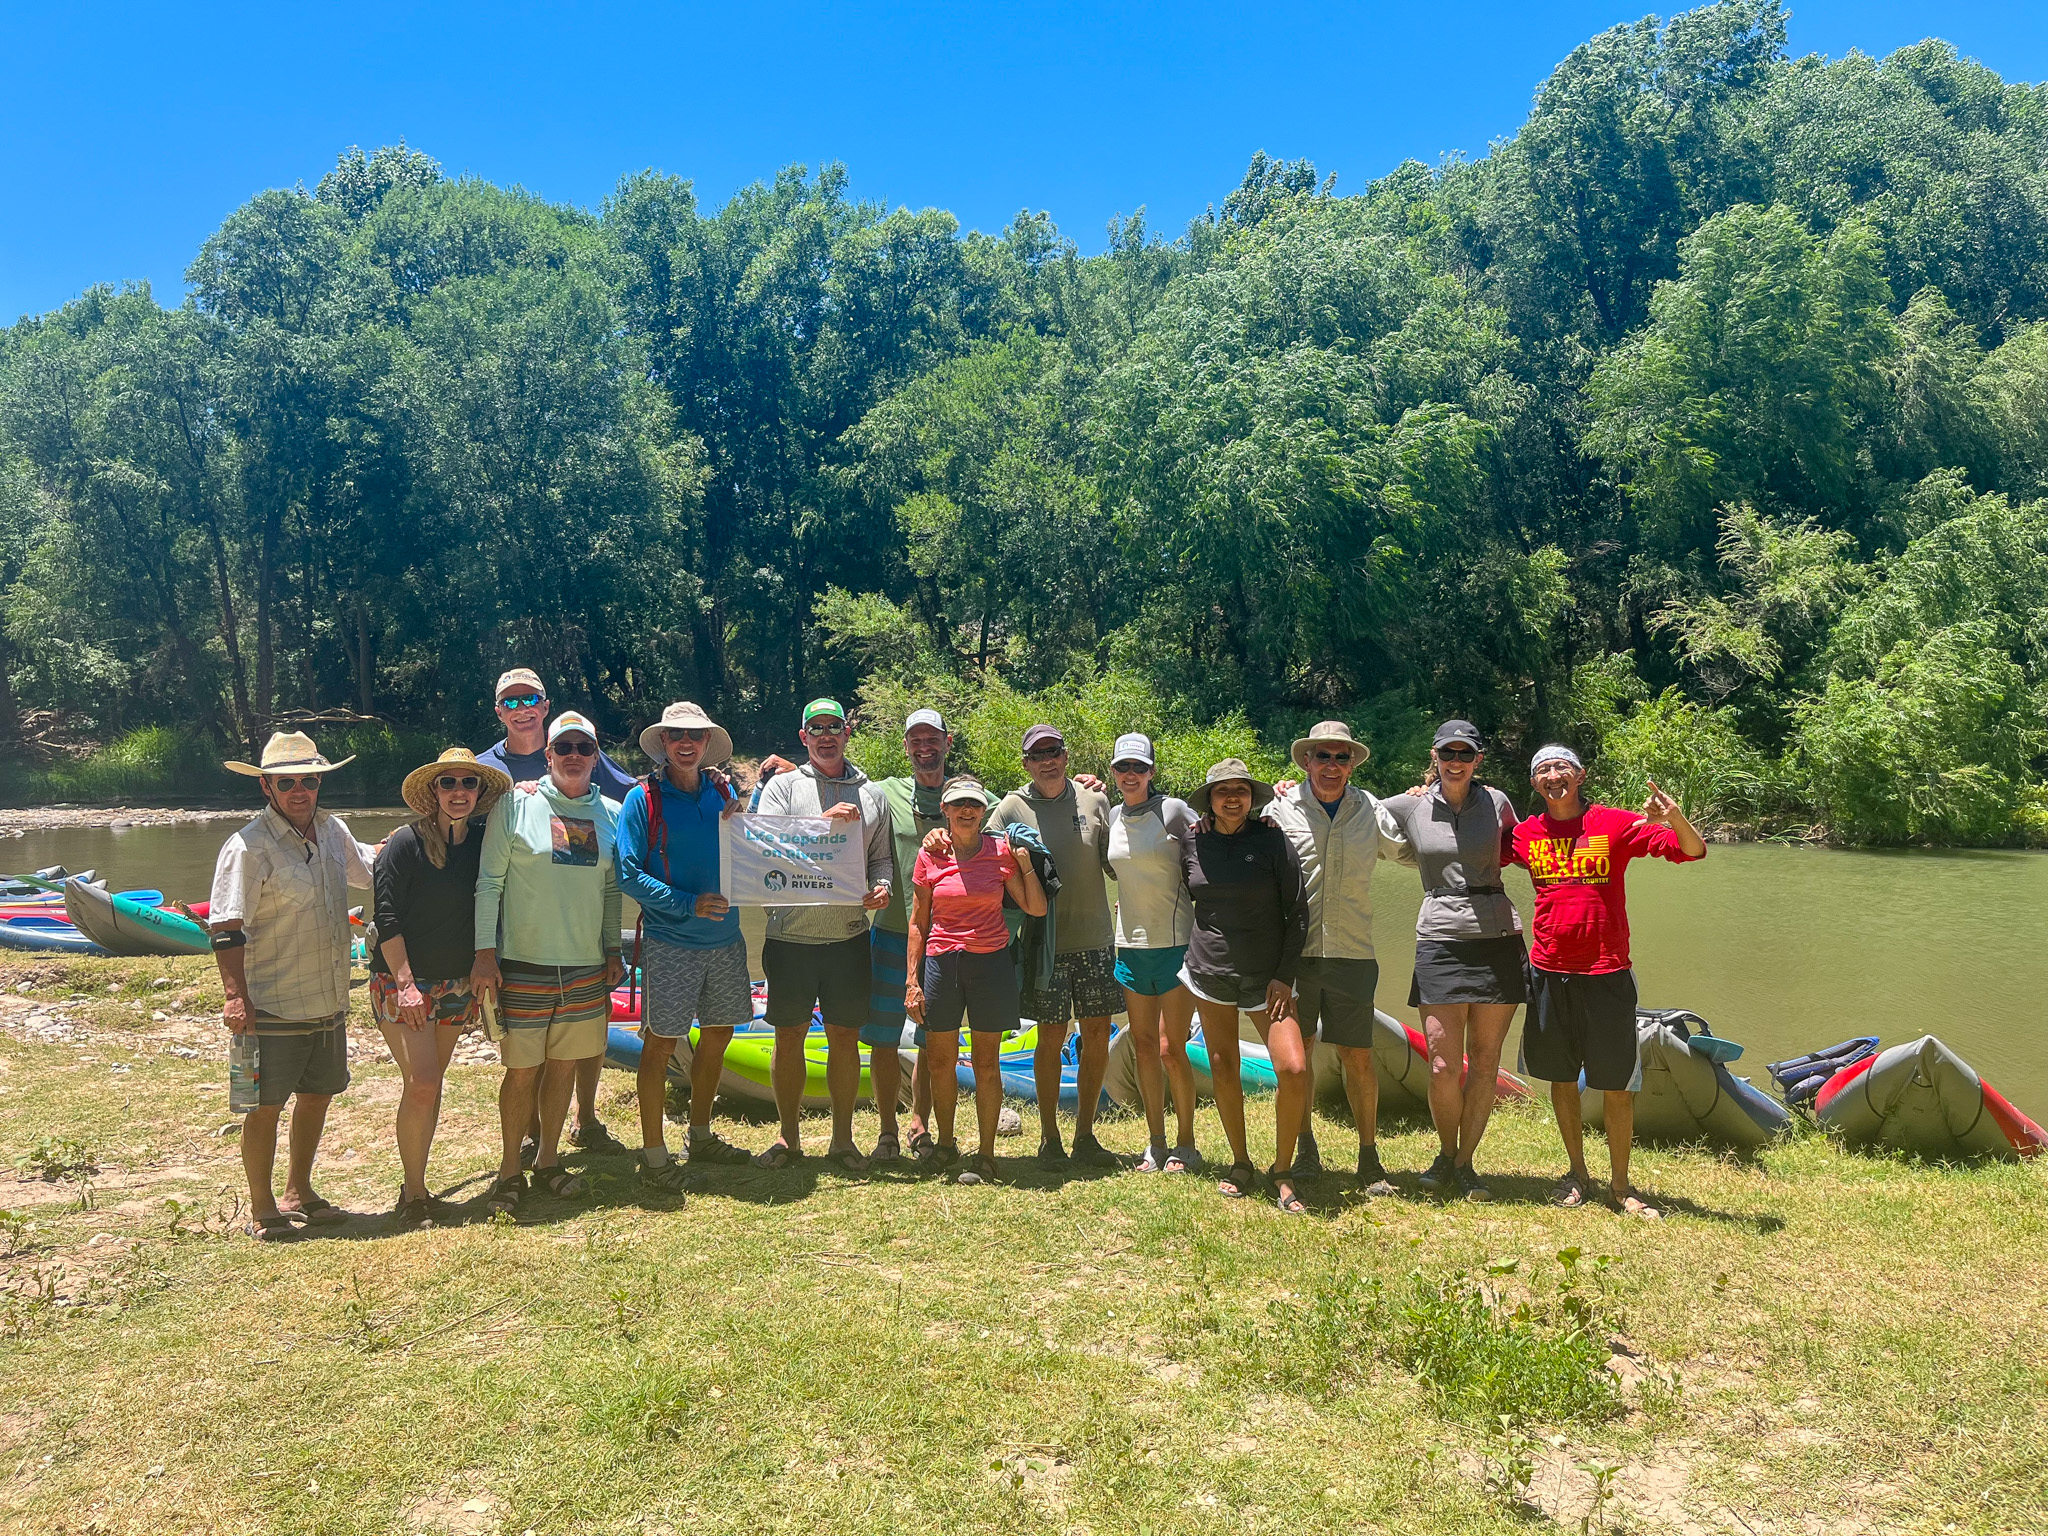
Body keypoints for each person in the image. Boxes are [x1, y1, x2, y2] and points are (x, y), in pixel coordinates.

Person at [1512, 745, 1706, 1218]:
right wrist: (1426, 792)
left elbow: (1692, 850)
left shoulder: (1615, 824)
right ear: (1535, 783)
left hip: (1607, 973)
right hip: (1548, 971)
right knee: (1560, 1078)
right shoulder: (1523, 834)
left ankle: (1621, 1186)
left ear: (1579, 776)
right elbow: (1466, 841)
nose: (1552, 776)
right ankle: (1577, 1174)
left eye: (1561, 768)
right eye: (1542, 770)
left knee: (1617, 1086)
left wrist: (1674, 817)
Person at [207, 732, 376, 1240]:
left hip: (327, 997)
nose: (300, 790)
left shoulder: (332, 830)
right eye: (288, 782)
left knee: (319, 1093)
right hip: (268, 1002)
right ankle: (263, 1208)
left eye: (309, 780)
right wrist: (235, 996)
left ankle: (299, 1190)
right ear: (267, 787)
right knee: (260, 1105)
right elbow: (225, 925)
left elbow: (370, 873)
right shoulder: (246, 846)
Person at [477, 665, 635, 1160]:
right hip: (521, 948)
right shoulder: (501, 788)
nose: (573, 756)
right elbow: (479, 866)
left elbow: (613, 883)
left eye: (583, 749)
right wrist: (484, 950)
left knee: (573, 1053)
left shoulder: (606, 804)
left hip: (586, 955)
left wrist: (612, 945)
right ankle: (517, 1156)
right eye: (563, 749)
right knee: (524, 1064)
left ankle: (571, 1133)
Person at [1380, 720, 1526, 1202]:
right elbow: (1350, 817)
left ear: (1478, 758)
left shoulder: (1499, 802)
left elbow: (1531, 847)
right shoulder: (1410, 804)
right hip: (1440, 937)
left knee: (1484, 1062)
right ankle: (1446, 1153)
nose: (1456, 761)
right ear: (1435, 755)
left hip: (1498, 937)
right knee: (1444, 1064)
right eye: (1448, 753)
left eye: (1466, 753)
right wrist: (1288, 795)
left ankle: (1466, 1164)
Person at [1264, 721, 1412, 1196]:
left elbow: (1412, 852)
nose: (1331, 766)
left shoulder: (1370, 809)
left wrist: (1429, 804)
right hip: (1295, 956)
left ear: (1352, 764)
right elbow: (1241, 852)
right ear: (1305, 761)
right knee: (1299, 1056)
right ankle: (1305, 1147)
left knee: (1359, 1057)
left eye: (1341, 758)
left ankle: (1369, 1158)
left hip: (1353, 952)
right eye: (1322, 756)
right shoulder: (1279, 807)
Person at [371, 747, 510, 1228]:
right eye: (447, 783)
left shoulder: (483, 843)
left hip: (456, 982)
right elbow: (385, 918)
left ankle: (417, 1186)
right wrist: (406, 985)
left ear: (479, 793)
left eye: (468, 784)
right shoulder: (402, 845)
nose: (458, 792)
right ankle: (413, 1195)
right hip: (401, 981)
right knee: (424, 1082)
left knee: (430, 1085)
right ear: (432, 793)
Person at [752, 698, 893, 1171]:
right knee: (788, 1035)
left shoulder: (871, 794)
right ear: (803, 737)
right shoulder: (782, 788)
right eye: (817, 728)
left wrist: (883, 886)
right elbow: (764, 846)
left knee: (845, 1037)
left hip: (849, 937)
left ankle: (842, 1140)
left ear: (848, 731)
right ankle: (788, 1137)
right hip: (790, 936)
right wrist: (821, 826)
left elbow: (882, 859)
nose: (826, 735)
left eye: (835, 726)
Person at [616, 702, 749, 1192]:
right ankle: (654, 1155)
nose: (686, 744)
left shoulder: (722, 790)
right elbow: (629, 873)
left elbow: (746, 848)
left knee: (718, 1035)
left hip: (727, 940)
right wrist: (688, 904)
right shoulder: (641, 800)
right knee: (660, 1046)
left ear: (708, 743)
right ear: (664, 744)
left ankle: (700, 1134)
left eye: (695, 736)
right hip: (671, 941)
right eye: (676, 736)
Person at [1179, 759, 1309, 1212]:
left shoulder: (1271, 839)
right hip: (1209, 972)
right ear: (1210, 799)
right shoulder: (1191, 842)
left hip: (1267, 977)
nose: (1232, 798)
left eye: (1241, 790)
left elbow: (1298, 912)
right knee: (1223, 1068)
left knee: (1293, 1069)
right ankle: (1240, 1162)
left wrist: (1283, 976)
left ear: (1252, 798)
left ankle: (1283, 1168)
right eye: (1222, 791)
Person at [904, 777, 1047, 1185]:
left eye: (974, 804)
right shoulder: (929, 855)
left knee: (987, 1064)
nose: (967, 810)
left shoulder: (1000, 852)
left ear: (984, 812)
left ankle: (986, 1154)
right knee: (940, 1061)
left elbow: (1035, 908)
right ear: (945, 811)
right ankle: (946, 1145)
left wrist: (1023, 864)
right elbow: (918, 922)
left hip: (991, 965)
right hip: (941, 965)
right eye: (958, 804)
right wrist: (912, 980)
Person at [991, 724, 1119, 1169]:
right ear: (1026, 763)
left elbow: (1117, 863)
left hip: (1097, 939)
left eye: (1054, 751)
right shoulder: (1010, 807)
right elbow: (980, 854)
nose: (1047, 760)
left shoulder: (1096, 800)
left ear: (1066, 756)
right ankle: (1049, 1138)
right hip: (1044, 945)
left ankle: (1085, 1135)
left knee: (1098, 1034)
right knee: (1049, 1037)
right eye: (1037, 755)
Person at [1103, 733, 1203, 1174]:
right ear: (1114, 773)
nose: (1130, 775)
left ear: (1152, 772)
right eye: (1122, 768)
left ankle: (1187, 1144)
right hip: (1130, 946)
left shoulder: (1175, 810)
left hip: (1177, 943)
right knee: (1142, 1045)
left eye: (1139, 768)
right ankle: (1156, 1142)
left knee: (1169, 1048)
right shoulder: (1111, 815)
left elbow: (1213, 844)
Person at [866, 709, 950, 1164]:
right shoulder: (884, 793)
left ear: (947, 742)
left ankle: (920, 1124)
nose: (924, 747)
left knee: (932, 1039)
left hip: (945, 941)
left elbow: (1014, 810)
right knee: (882, 1036)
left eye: (932, 738)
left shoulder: (969, 797)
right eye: (915, 740)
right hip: (890, 934)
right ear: (905, 747)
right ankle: (886, 1132)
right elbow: (841, 793)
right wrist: (778, 775)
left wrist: (1084, 787)